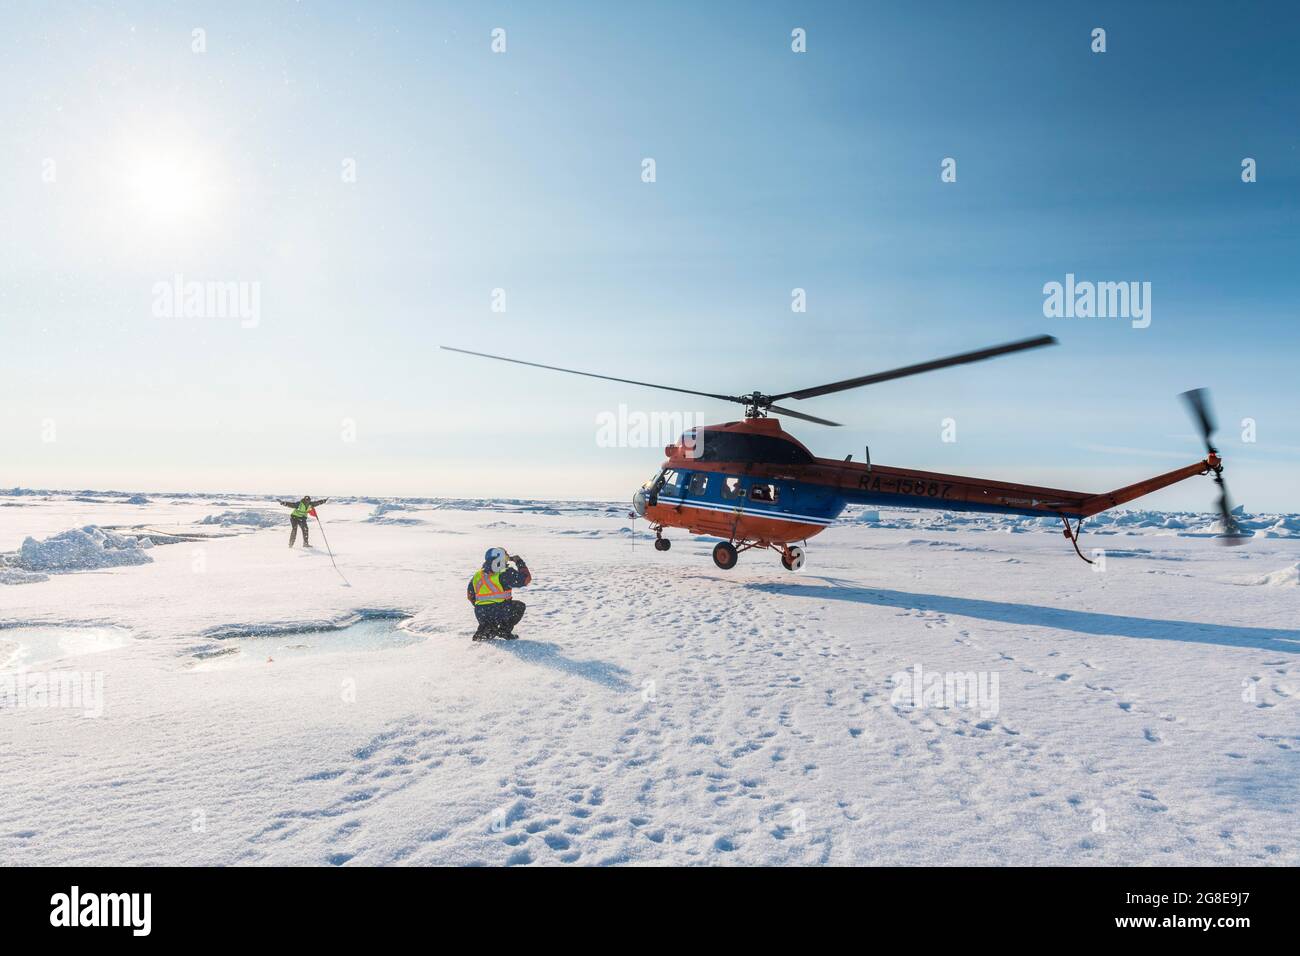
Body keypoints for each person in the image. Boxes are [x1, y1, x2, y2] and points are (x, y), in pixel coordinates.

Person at [467, 547, 531, 641]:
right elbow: (526, 579)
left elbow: (470, 595)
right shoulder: (504, 572)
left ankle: (486, 629)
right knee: (519, 606)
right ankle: (503, 630)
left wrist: (482, 606)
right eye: (505, 556)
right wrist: (519, 562)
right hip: (500, 610)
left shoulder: (477, 575)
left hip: (481, 613)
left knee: (488, 627)